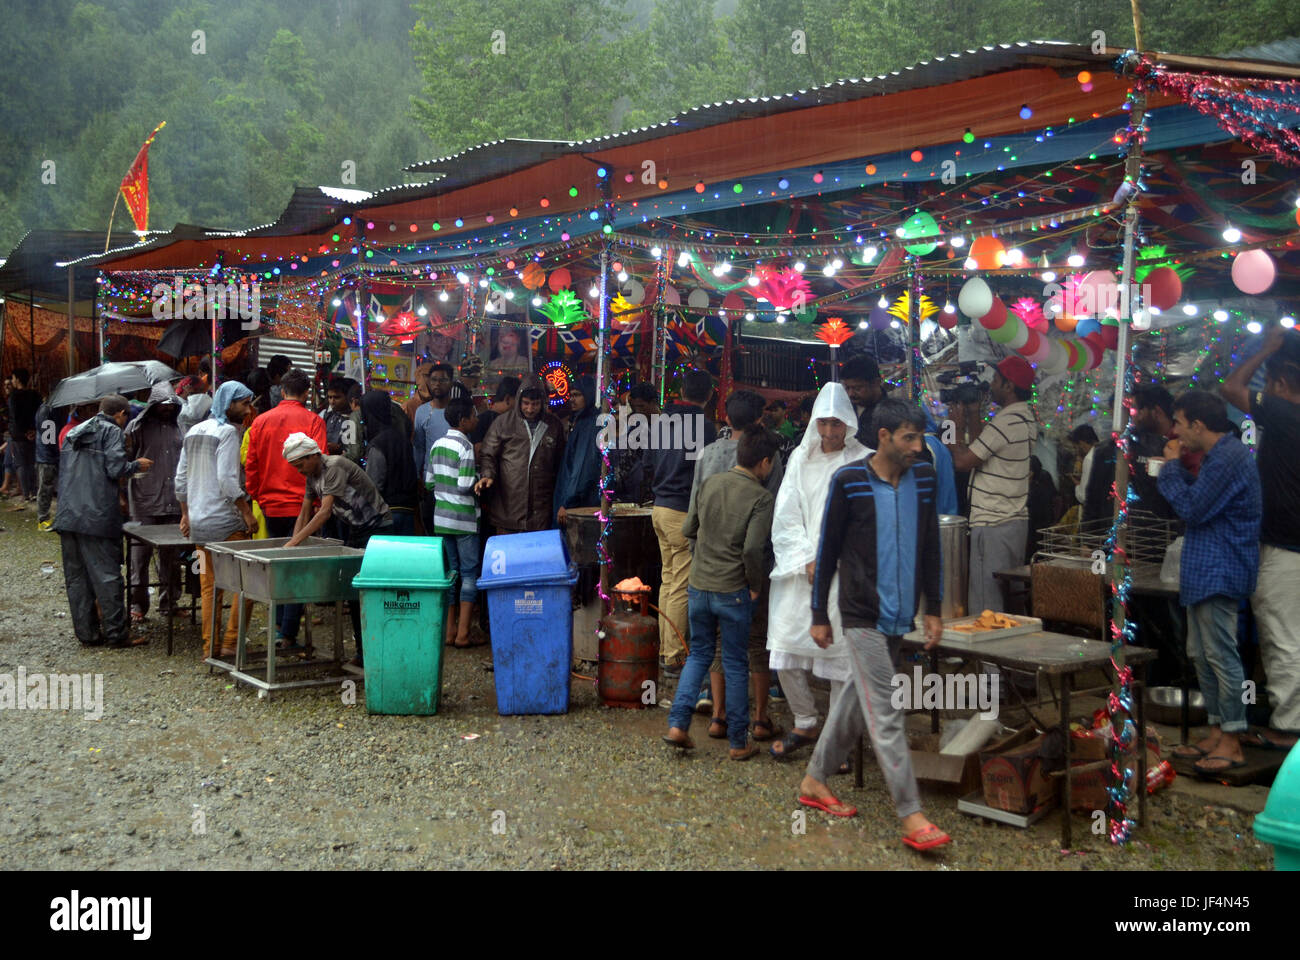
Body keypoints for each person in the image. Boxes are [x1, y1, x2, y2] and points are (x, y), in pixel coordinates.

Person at [798, 399, 950, 852]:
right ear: (883, 437)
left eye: (920, 437)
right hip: (861, 614)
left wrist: (934, 607)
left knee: (853, 697)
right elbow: (827, 551)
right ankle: (911, 813)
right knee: (885, 710)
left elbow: (930, 546)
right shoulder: (849, 482)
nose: (918, 447)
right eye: (909, 438)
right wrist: (819, 614)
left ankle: (814, 779)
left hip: (901, 614)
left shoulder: (923, 477)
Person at [1155, 390, 1261, 776]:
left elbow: (1192, 508)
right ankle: (1217, 729)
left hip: (1221, 568)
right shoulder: (1219, 458)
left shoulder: (1229, 457)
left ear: (1198, 425)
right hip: (1205, 569)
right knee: (1202, 654)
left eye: (1180, 423)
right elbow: (1202, 498)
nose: (1176, 431)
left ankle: (1232, 740)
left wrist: (1168, 470)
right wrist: (1179, 469)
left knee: (1219, 654)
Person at [663, 425, 777, 760]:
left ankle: (677, 726)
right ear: (765, 462)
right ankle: (739, 743)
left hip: (699, 586)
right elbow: (753, 550)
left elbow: (688, 529)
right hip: (733, 590)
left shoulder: (711, 483)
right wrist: (755, 586)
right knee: (735, 662)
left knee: (699, 655)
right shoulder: (761, 497)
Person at [766, 383, 865, 761]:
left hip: (843, 572)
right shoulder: (799, 460)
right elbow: (786, 515)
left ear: (849, 424)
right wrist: (807, 558)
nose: (829, 432)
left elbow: (864, 521)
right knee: (784, 643)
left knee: (841, 656)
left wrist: (830, 560)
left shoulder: (863, 461)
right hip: (799, 569)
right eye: (823, 423)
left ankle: (836, 741)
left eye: (836, 424)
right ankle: (805, 720)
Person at [686, 388, 785, 738]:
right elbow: (773, 513)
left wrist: (701, 557)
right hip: (752, 564)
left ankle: (719, 716)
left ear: (726, 418)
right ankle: (759, 719)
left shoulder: (708, 454)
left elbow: (693, 517)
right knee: (754, 642)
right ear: (758, 419)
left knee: (715, 642)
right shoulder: (768, 457)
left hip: (709, 566)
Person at [1222, 327, 1300, 750]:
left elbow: (1231, 387)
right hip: (1292, 544)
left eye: (1269, 383)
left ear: (1282, 383)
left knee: (1283, 637)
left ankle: (1288, 730)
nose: (1264, 390)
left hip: (1286, 547)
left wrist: (1265, 348)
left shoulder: (1287, 414)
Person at [282, 433, 394, 667]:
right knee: (354, 593)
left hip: (377, 526)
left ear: (313, 456)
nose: (299, 471)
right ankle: (364, 653)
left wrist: (294, 543)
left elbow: (323, 512)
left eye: (300, 465)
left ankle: (376, 653)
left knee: (368, 592)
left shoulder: (333, 466)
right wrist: (293, 543)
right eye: (296, 468)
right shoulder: (311, 475)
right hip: (356, 528)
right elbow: (305, 511)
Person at [52, 395, 154, 648]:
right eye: (125, 416)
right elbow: (115, 469)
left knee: (78, 578)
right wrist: (136, 465)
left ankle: (87, 633)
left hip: (68, 515)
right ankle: (117, 634)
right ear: (120, 414)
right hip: (96, 515)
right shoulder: (111, 432)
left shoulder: (74, 431)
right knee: (108, 577)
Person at [945, 356, 1038, 613]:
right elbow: (980, 449)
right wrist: (974, 414)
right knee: (1010, 597)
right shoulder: (1023, 418)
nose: (992, 386)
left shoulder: (1006, 422)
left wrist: (951, 428)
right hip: (1012, 521)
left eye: (996, 380)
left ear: (1009, 386)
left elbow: (963, 462)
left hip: (992, 522)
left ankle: (987, 652)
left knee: (987, 602)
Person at [244, 368, 328, 650]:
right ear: (306, 393)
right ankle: (287, 632)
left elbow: (251, 464)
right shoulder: (314, 420)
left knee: (277, 566)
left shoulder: (260, 421)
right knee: (299, 568)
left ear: (282, 391)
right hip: (303, 505)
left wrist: (257, 494)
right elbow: (320, 462)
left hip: (270, 503)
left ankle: (281, 625)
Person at [177, 382, 259, 660]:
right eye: (244, 404)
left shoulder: (193, 431)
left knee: (209, 586)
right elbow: (227, 480)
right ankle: (231, 643)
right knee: (248, 583)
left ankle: (209, 648)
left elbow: (180, 479)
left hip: (199, 523)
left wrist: (186, 514)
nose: (248, 410)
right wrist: (247, 513)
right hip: (226, 523)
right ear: (228, 402)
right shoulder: (227, 433)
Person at [646, 369, 717, 673]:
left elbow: (647, 462)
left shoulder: (662, 421)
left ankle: (665, 647)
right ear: (710, 395)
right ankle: (673, 655)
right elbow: (708, 473)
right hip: (682, 510)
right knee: (680, 584)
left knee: (667, 578)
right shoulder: (705, 427)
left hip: (659, 508)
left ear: (683, 391)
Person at [124, 382, 185, 622]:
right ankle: (138, 605)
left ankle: (169, 602)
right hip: (143, 501)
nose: (167, 409)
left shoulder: (180, 427)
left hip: (173, 499)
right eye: (163, 405)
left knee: (171, 557)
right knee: (139, 556)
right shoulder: (135, 427)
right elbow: (124, 462)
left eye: (172, 405)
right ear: (153, 405)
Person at [474, 374, 565, 533]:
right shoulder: (502, 422)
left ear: (542, 403)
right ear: (518, 401)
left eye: (535, 404)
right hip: (507, 509)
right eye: (526, 403)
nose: (530, 409)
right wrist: (487, 474)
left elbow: (561, 463)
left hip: (541, 511)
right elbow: (488, 454)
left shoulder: (554, 425)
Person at [428, 398, 484, 648]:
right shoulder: (466, 446)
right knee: (469, 573)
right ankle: (463, 634)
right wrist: (480, 478)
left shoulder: (437, 444)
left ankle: (449, 632)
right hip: (464, 519)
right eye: (473, 415)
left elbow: (429, 482)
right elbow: (464, 485)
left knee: (451, 574)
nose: (477, 418)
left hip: (441, 518)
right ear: (463, 420)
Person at [1081, 385, 1174, 526]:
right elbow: (1093, 499)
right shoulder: (1103, 451)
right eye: (1118, 410)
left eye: (1129, 409)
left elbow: (1169, 499)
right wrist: (1087, 541)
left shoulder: (1160, 447)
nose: (1124, 415)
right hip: (1109, 536)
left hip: (1151, 536)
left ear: (1141, 413)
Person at [362, 388, 419, 536]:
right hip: (408, 510)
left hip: (387, 512)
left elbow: (373, 484)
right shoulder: (403, 439)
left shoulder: (377, 444)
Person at [553, 376, 601, 525]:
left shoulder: (589, 424)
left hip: (579, 505)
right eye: (571, 395)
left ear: (589, 395)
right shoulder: (582, 422)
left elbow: (581, 469)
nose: (572, 399)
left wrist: (567, 503)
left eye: (577, 395)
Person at [412, 363, 455, 530]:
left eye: (442, 380)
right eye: (434, 380)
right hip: (431, 481)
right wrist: (418, 476)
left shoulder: (459, 409)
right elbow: (419, 447)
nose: (437, 384)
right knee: (431, 528)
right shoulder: (422, 411)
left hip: (456, 481)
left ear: (451, 382)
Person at [6, 367, 41, 500]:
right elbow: (38, 414)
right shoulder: (35, 395)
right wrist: (33, 430)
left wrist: (24, 431)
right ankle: (33, 491)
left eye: (13, 378)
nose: (12, 381)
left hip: (19, 435)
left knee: (21, 464)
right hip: (32, 433)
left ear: (18, 379)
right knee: (32, 463)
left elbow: (15, 416)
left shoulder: (14, 396)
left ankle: (26, 493)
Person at [841, 355, 889, 447]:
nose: (850, 393)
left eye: (857, 388)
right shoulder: (845, 408)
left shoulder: (889, 415)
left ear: (876, 382)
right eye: (847, 388)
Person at [470, 375, 520, 457]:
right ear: (507, 398)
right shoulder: (481, 421)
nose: (520, 405)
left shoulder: (481, 419)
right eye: (518, 400)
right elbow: (479, 454)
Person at [33, 397, 62, 529]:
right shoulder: (48, 410)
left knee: (48, 486)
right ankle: (43, 518)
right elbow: (48, 438)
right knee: (46, 487)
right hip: (47, 456)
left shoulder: (47, 408)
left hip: (48, 454)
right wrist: (57, 452)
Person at [1025, 455, 1059, 561]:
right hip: (1046, 524)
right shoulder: (1045, 475)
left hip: (1034, 525)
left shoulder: (1034, 489)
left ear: (1031, 472)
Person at [322, 377, 351, 456]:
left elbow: (355, 451)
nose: (332, 401)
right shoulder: (327, 416)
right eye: (330, 397)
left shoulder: (353, 419)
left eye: (336, 397)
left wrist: (339, 448)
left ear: (347, 397)